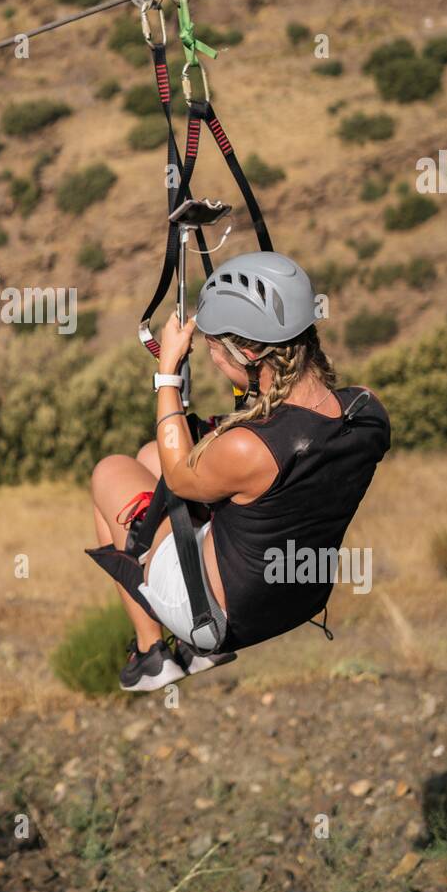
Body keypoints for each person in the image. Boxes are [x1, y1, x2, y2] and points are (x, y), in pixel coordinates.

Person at [90, 252, 391, 692]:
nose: (212, 359)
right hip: (293, 596)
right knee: (151, 455)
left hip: (213, 614)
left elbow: (178, 477)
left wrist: (168, 371)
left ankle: (151, 652)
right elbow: (291, 445)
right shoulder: (368, 411)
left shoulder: (251, 448)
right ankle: (169, 651)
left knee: (110, 471)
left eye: (213, 349)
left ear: (248, 352)